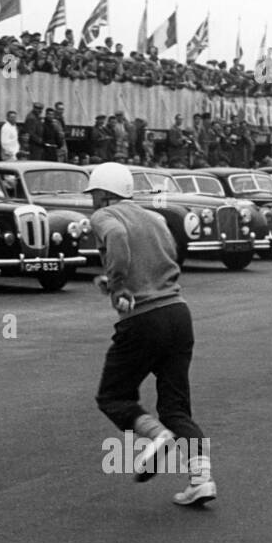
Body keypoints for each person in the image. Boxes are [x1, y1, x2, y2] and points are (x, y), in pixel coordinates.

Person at [84, 161, 215, 506]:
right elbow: (173, 249)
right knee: (176, 406)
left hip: (143, 318)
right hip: (178, 312)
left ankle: (157, 437)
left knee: (113, 396)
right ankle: (201, 480)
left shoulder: (105, 216)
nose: (92, 201)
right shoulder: (154, 218)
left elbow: (116, 237)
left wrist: (118, 283)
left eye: (94, 194)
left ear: (104, 195)